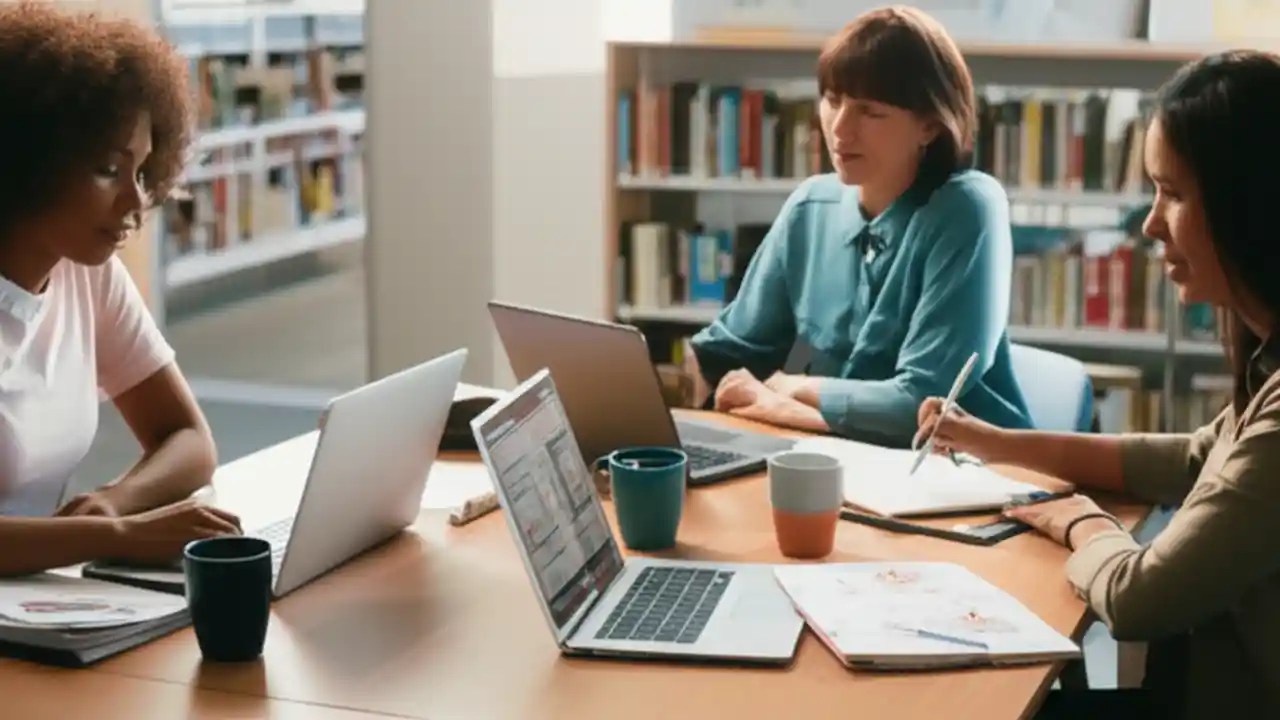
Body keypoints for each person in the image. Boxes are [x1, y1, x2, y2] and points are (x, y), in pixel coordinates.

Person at [915, 50, 1280, 720]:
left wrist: (1082, 521)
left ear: (1247, 202)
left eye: (1171, 193)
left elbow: (1141, 597)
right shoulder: (1267, 367)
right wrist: (996, 443)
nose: (1148, 224)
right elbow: (1197, 459)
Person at [687, 5, 1032, 448]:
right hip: (842, 460)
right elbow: (726, 355)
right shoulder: (812, 206)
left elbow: (926, 405)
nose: (840, 130)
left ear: (929, 124)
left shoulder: (969, 208)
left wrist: (792, 391)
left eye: (870, 112)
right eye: (833, 101)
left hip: (966, 475)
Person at [0, 3, 240, 577]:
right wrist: (116, 534)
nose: (136, 203)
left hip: (35, 602)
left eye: (141, 171)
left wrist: (114, 501)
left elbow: (186, 438)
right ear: (28, 161)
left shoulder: (88, 273)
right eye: (109, 170)